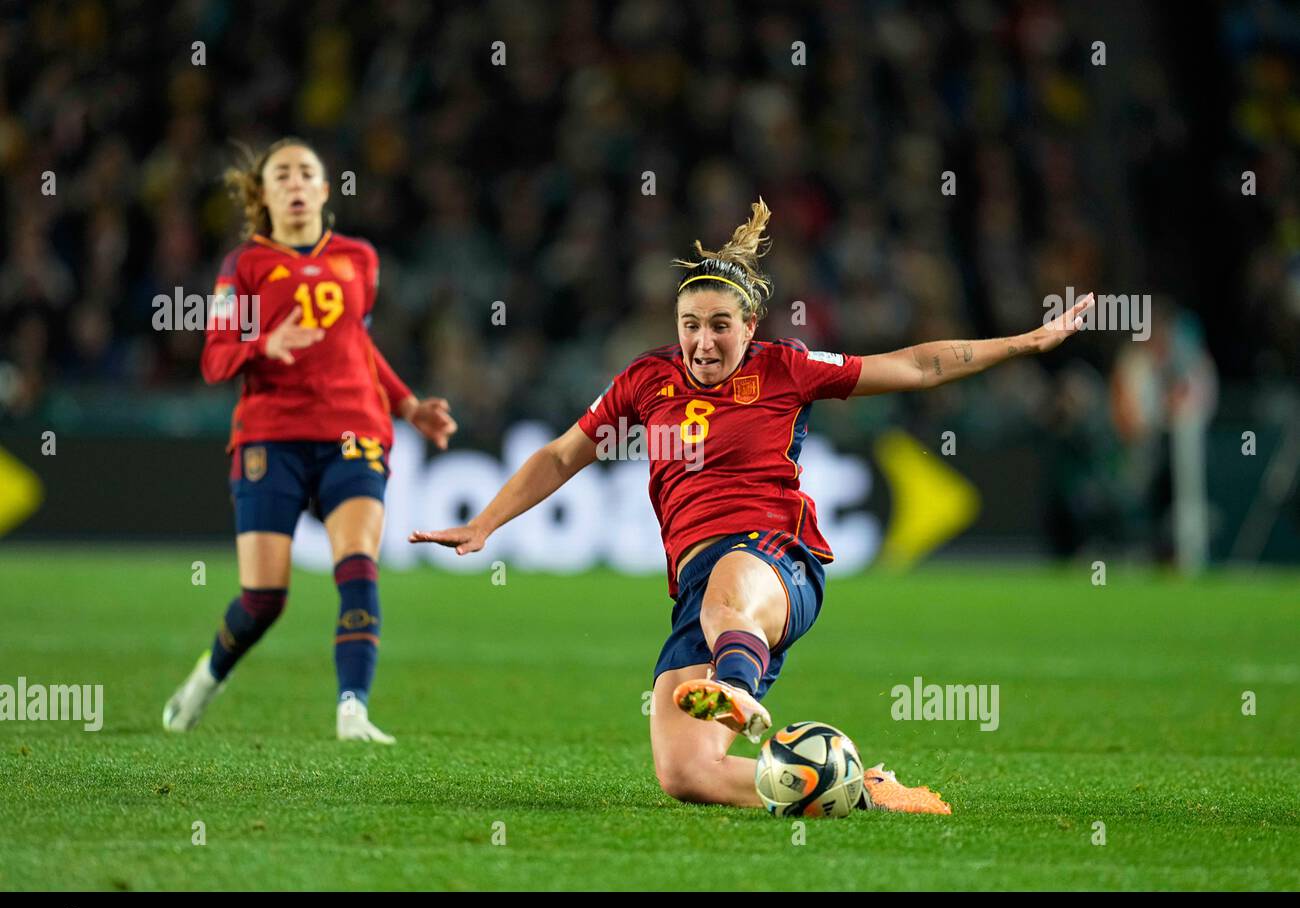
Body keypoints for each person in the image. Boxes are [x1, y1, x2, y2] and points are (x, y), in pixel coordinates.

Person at [411, 200, 1092, 810]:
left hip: (777, 562)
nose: (703, 343)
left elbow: (917, 365)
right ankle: (852, 787)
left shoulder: (783, 369)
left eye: (719, 326)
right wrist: (484, 522)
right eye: (690, 326)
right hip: (699, 592)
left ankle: (737, 686)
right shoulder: (645, 381)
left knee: (726, 595)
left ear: (750, 324)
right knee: (688, 773)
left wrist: (1025, 343)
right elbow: (562, 454)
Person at [164, 137, 457, 742]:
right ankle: (206, 678)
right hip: (270, 439)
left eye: (306, 173)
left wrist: (406, 403)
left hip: (355, 432)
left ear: (324, 191)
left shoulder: (358, 259)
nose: (295, 183)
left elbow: (357, 344)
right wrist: (262, 345)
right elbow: (214, 360)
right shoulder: (243, 267)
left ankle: (352, 708)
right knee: (264, 599)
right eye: (282, 176)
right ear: (264, 195)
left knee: (357, 563)